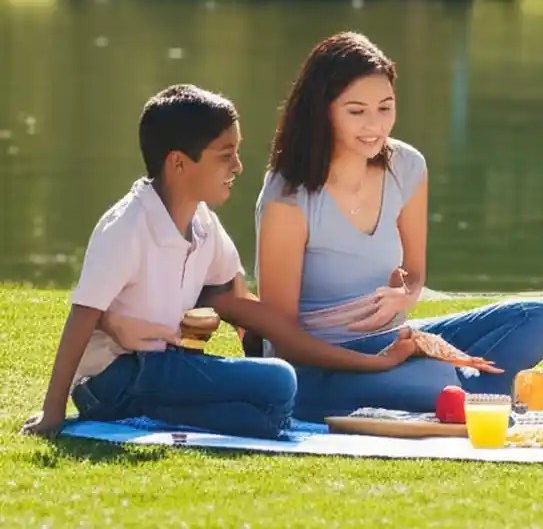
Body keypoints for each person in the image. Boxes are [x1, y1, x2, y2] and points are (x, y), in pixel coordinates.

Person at [21, 85, 414, 440]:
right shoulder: (126, 227)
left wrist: (337, 355)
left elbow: (240, 306)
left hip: (164, 366)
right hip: (115, 376)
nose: (238, 167)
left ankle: (158, 414)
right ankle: (140, 410)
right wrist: (53, 410)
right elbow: (82, 315)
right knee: (278, 385)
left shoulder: (204, 224)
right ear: (178, 164)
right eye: (226, 155)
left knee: (275, 398)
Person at [254, 31, 543, 421]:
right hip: (318, 368)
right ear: (322, 109)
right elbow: (282, 338)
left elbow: (415, 275)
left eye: (385, 107)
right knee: (433, 381)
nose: (375, 125)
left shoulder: (407, 167)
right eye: (356, 111)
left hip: (396, 340)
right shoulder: (289, 193)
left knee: (537, 318)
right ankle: (471, 395)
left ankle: (464, 394)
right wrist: (379, 364)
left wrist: (406, 296)